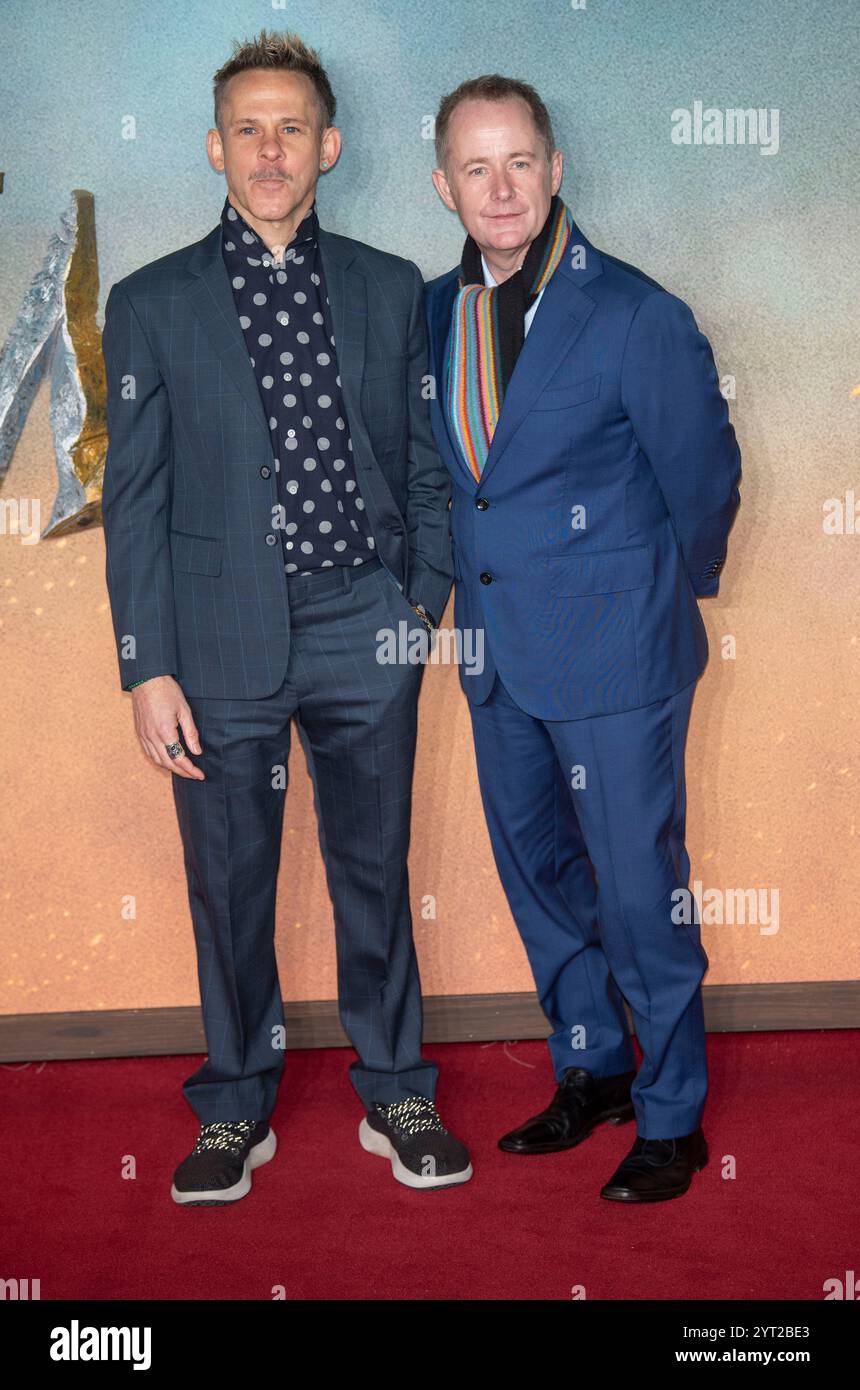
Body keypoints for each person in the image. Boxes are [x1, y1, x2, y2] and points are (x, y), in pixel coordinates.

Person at [101, 30, 471, 1203]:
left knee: (374, 866)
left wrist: (415, 603)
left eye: (292, 127)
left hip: (365, 626)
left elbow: (424, 464)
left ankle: (396, 1085)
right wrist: (145, 665)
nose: (271, 149)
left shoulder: (385, 288)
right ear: (217, 147)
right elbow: (136, 503)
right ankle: (232, 1104)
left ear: (330, 146)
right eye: (249, 128)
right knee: (229, 879)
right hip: (216, 645)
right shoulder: (149, 302)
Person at [425, 75, 741, 1202]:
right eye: (475, 167)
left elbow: (702, 480)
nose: (499, 187)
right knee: (541, 882)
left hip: (615, 657)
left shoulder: (633, 313)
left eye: (519, 162)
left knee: (630, 886)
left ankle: (672, 1113)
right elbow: (452, 486)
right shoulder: (432, 312)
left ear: (554, 170)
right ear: (443, 185)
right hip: (495, 658)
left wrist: (663, 595)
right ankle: (592, 1066)